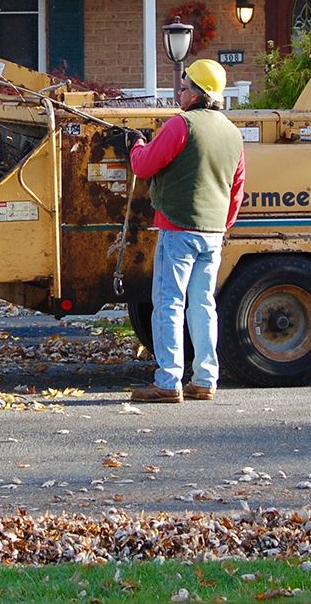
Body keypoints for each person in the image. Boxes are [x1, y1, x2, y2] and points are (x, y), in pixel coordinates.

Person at [125, 58, 246, 403]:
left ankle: (167, 381)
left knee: (168, 304)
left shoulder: (181, 125)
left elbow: (144, 165)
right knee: (203, 305)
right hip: (212, 232)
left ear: (196, 94)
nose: (179, 91)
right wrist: (223, 225)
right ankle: (205, 378)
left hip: (178, 228)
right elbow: (237, 189)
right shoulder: (232, 132)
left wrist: (135, 144)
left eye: (183, 86)